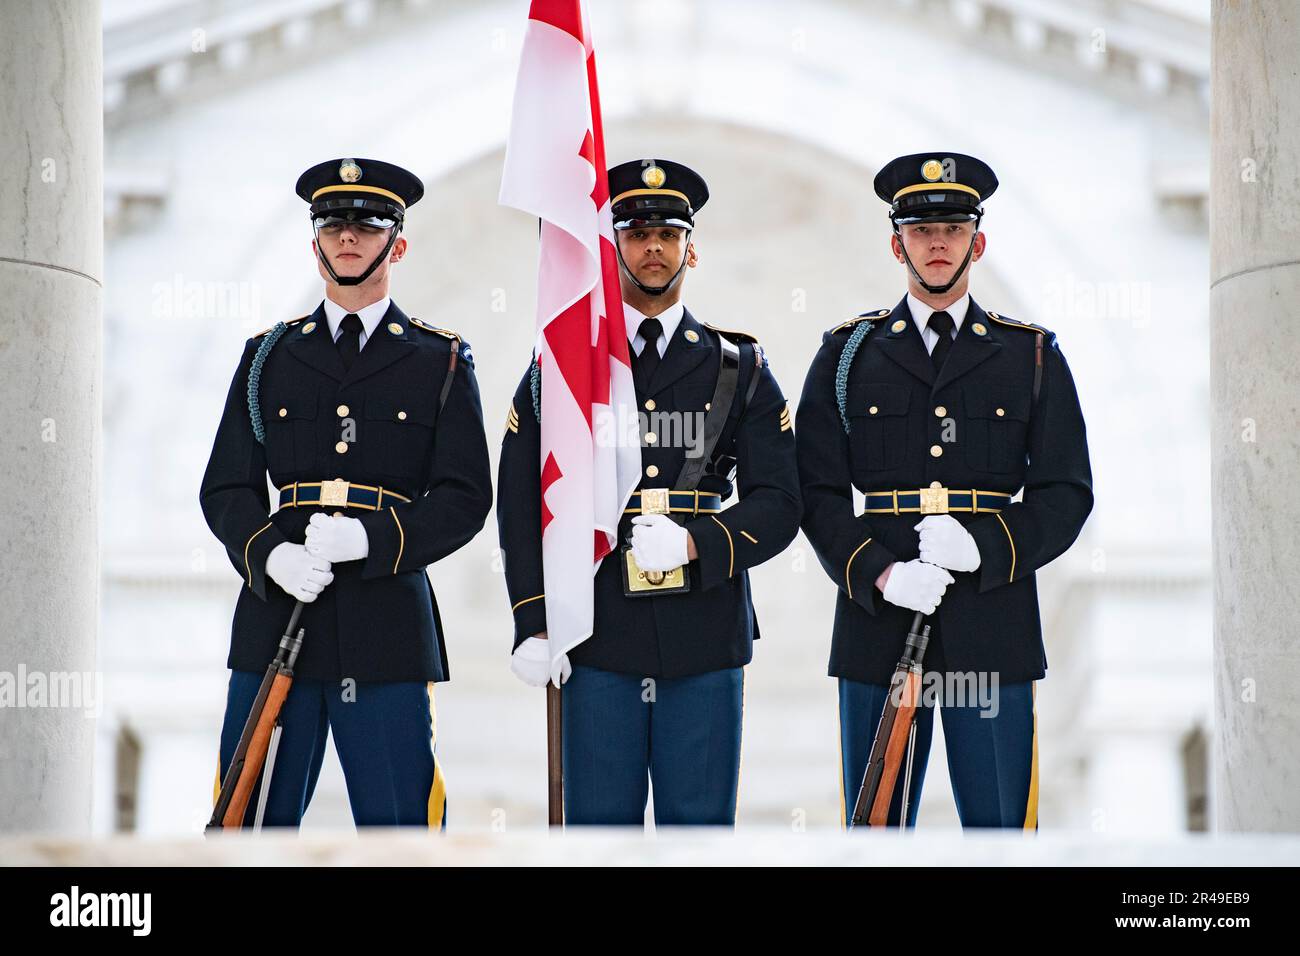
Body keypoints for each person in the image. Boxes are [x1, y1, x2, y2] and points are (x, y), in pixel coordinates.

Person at [496, 159, 801, 825]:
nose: (653, 247)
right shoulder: (565, 366)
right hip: (595, 631)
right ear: (613, 249)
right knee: (597, 840)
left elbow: (781, 501)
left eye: (668, 233)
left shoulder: (740, 367)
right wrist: (532, 619)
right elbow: (521, 499)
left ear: (693, 247)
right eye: (635, 234)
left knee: (700, 840)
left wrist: (697, 542)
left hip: (704, 635)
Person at [796, 152, 1093, 828]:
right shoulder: (846, 353)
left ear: (977, 242)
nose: (937, 242)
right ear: (895, 241)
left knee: (1002, 834)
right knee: (877, 832)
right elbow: (813, 492)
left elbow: (1065, 492)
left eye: (953, 228)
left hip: (993, 623)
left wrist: (986, 545)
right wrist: (879, 573)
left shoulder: (1032, 356)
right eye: (921, 228)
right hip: (880, 622)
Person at [200, 157, 492, 827]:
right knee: (250, 828)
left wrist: (372, 537)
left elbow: (465, 495)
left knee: (402, 833)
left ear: (399, 242)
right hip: (278, 613)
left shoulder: (439, 359)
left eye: (368, 224)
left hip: (386, 624)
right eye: (333, 225)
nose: (348, 238)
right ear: (315, 243)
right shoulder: (267, 356)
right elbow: (226, 487)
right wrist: (270, 554)